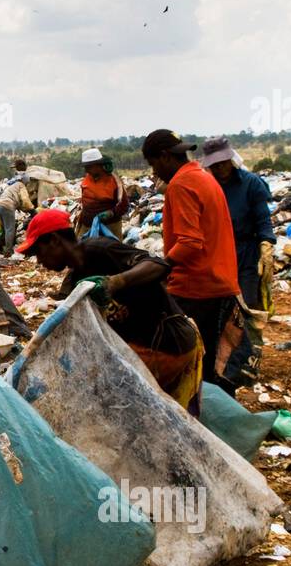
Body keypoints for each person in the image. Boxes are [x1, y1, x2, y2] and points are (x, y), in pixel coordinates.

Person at [18, 208, 203, 413]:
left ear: (54, 240)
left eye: (39, 253)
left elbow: (158, 264)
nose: (40, 262)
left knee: (108, 399)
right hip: (138, 346)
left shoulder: (99, 250)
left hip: (166, 343)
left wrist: (115, 282)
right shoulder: (74, 281)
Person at [141, 129, 241, 392]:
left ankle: (203, 423)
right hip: (220, 281)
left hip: (197, 288)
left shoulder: (181, 185)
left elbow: (189, 242)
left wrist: (160, 268)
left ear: (163, 157)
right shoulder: (203, 178)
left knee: (191, 368)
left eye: (153, 165)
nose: (155, 173)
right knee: (211, 366)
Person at [199, 136, 275, 312]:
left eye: (223, 162)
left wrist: (266, 246)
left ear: (230, 159)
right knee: (219, 307)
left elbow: (263, 220)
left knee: (245, 305)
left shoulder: (251, 183)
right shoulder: (205, 187)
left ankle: (250, 338)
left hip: (246, 252)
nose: (220, 167)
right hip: (216, 254)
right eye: (215, 164)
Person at [76, 147, 130, 238]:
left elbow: (124, 205)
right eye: (85, 167)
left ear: (99, 165)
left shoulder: (114, 182)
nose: (86, 170)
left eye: (89, 166)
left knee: (109, 251)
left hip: (110, 228)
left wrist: (111, 213)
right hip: (87, 226)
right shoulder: (86, 180)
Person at [0, 173, 33, 256]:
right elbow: (25, 200)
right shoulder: (21, 186)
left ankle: (0, 247)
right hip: (7, 206)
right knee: (10, 229)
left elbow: (19, 203)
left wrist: (25, 210)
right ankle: (8, 251)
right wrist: (32, 210)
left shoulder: (13, 186)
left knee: (4, 229)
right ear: (25, 181)